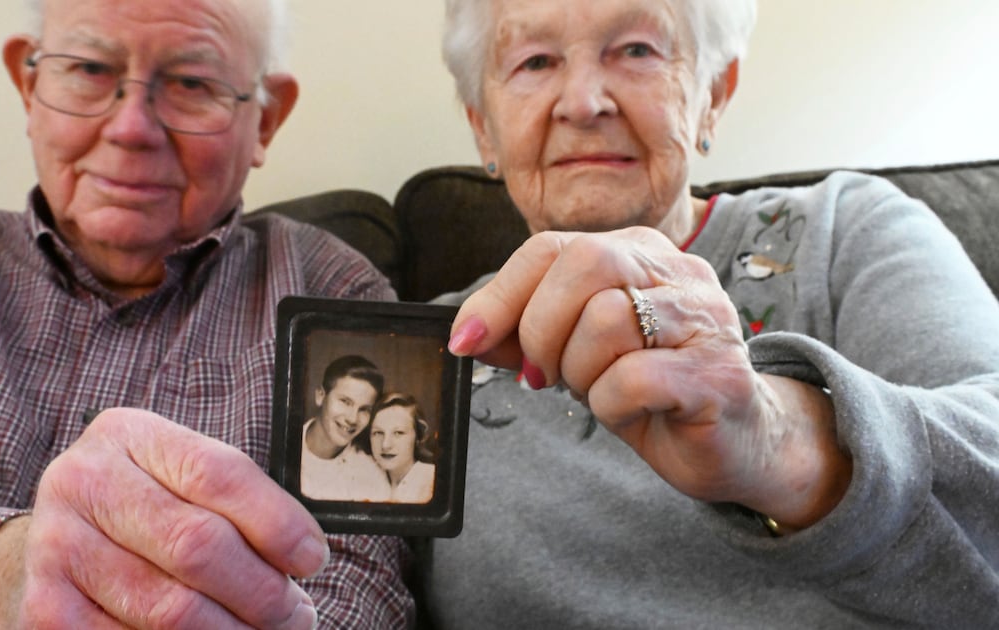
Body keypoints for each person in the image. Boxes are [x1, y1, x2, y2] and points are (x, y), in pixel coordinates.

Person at [0, 0, 415, 627]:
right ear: (29, 83)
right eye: (90, 69)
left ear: (264, 121)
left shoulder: (337, 291)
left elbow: (355, 580)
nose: (131, 128)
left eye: (192, 84)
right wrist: (5, 578)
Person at [422, 0, 999, 627]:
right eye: (535, 61)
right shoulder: (436, 346)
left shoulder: (846, 229)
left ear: (713, 95)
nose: (584, 102)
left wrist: (779, 439)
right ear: (484, 128)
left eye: (638, 50)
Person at [300, 354, 390, 501]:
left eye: (364, 409)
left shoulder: (371, 477)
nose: (352, 418)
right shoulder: (282, 446)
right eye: (345, 401)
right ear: (320, 396)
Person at [356, 393, 437, 504]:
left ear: (418, 436)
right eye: (378, 433)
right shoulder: (365, 477)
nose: (385, 445)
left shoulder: (432, 481)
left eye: (398, 433)